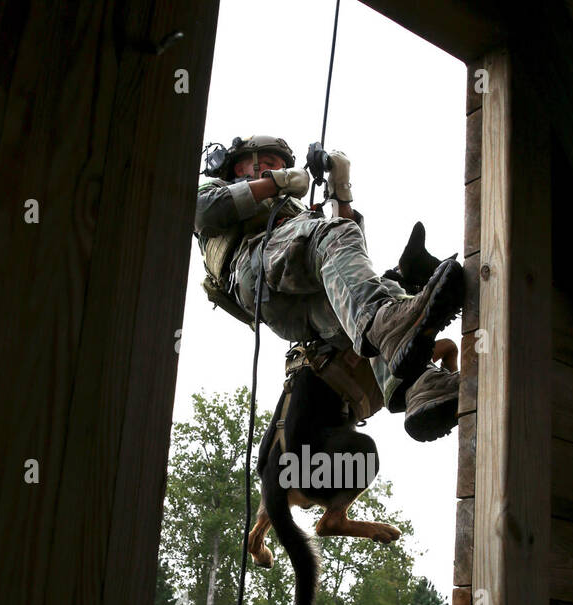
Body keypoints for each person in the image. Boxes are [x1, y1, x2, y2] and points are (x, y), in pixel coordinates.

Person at [194, 134, 463, 441]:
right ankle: (389, 328)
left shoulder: (291, 208)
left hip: (292, 309)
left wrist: (340, 186)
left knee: (374, 295)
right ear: (241, 166)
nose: (275, 170)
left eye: (280, 167)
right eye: (268, 164)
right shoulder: (217, 188)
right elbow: (201, 211)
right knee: (369, 303)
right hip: (256, 267)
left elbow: (347, 256)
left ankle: (422, 387)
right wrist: (277, 182)